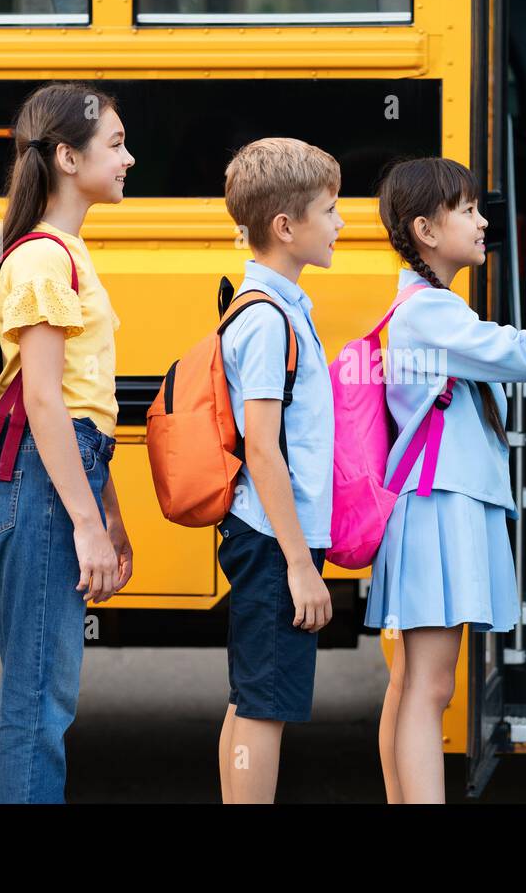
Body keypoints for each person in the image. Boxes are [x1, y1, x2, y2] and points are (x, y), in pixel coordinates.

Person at [369, 156, 526, 803]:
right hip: (436, 503)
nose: (483, 222)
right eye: (468, 210)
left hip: (434, 502)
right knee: (430, 685)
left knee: (413, 681)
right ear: (424, 229)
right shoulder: (430, 314)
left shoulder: (430, 308)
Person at [0, 82, 135, 803]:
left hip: (53, 479)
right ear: (68, 156)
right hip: (37, 486)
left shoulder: (63, 252)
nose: (130, 158)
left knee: (46, 695)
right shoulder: (41, 259)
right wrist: (88, 525)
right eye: (116, 145)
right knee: (38, 702)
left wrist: (109, 515)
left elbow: (82, 404)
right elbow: (41, 400)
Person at [215, 137, 342, 803]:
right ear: (286, 227)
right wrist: (300, 566)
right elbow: (262, 448)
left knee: (252, 697)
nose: (341, 223)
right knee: (265, 706)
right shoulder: (268, 321)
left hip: (265, 535)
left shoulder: (280, 308)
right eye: (329, 209)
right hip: (272, 540)